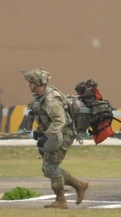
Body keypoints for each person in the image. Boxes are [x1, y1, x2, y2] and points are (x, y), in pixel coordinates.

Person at [23, 67, 89, 209]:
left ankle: (61, 200)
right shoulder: (41, 97)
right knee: (49, 168)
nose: (29, 86)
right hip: (57, 134)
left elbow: (59, 121)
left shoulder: (50, 99)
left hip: (64, 134)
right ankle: (79, 185)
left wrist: (46, 136)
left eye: (31, 83)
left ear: (37, 83)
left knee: (50, 167)